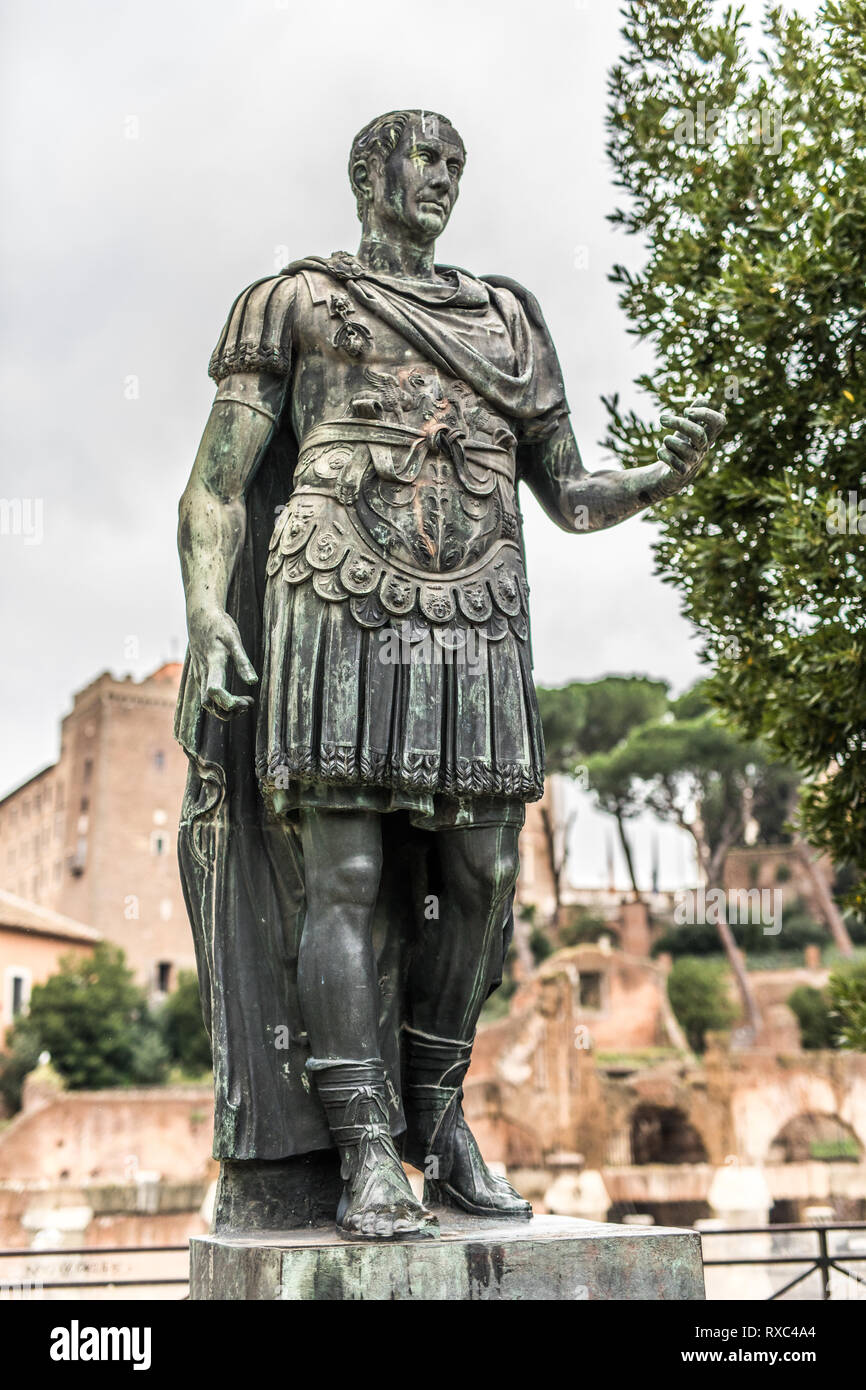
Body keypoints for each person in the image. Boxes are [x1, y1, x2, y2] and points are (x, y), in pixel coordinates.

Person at [176, 108, 724, 1240]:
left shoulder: (509, 321)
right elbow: (217, 484)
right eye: (423, 158)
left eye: (456, 165)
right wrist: (202, 609)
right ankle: (366, 1145)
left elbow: (568, 497)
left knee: (478, 875)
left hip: (476, 610)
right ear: (367, 171)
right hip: (332, 594)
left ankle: (437, 1116)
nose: (441, 179)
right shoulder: (292, 301)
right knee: (347, 877)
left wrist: (662, 475)